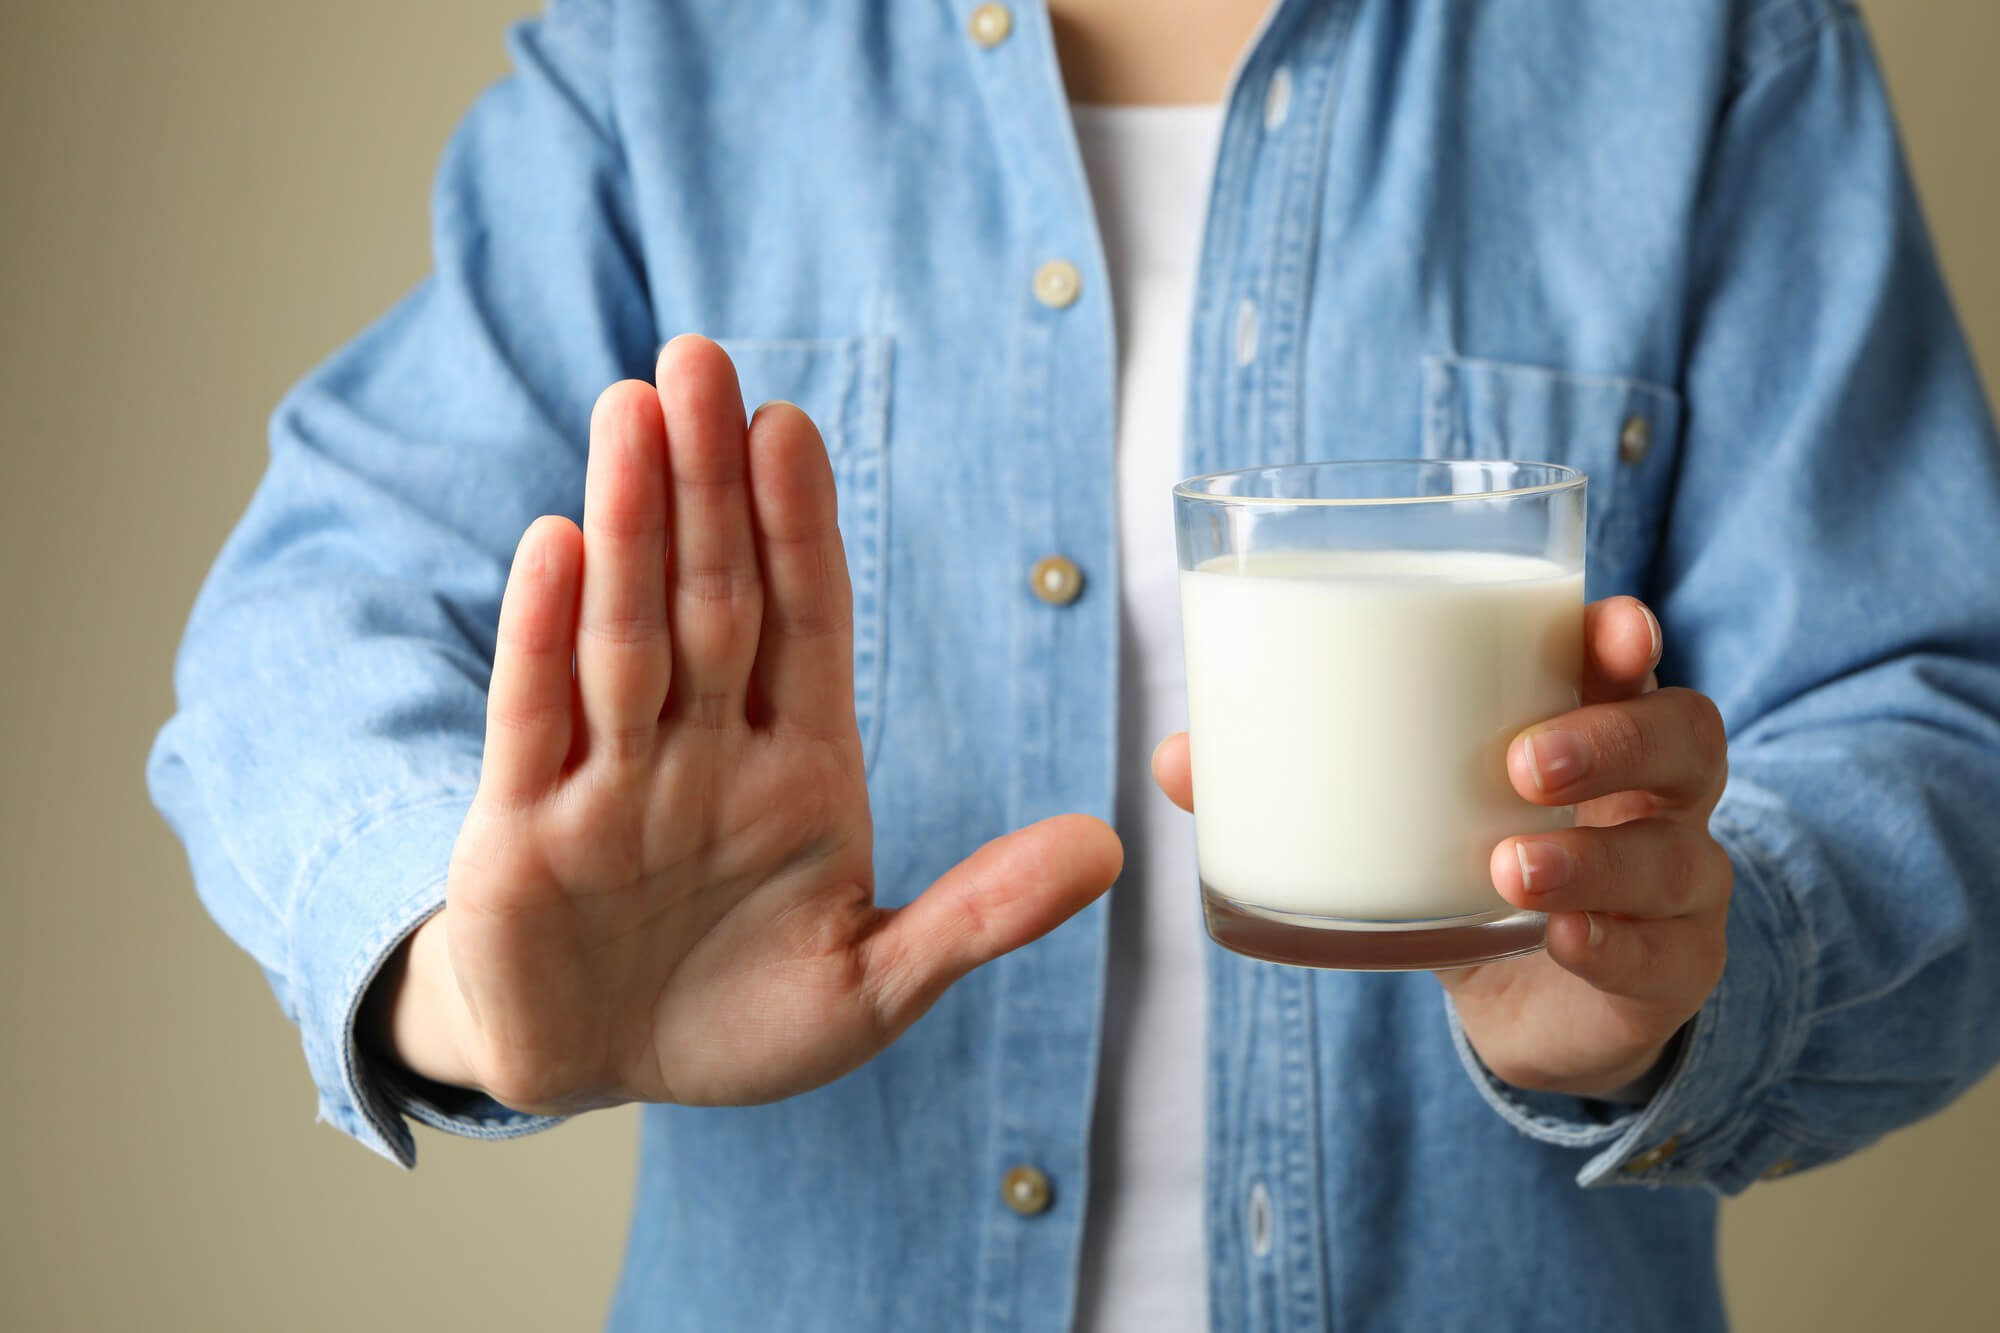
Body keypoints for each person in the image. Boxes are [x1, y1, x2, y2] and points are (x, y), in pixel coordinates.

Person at [149, 0, 2000, 1328]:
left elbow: (1940, 707)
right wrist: (465, 982)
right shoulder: (668, 55)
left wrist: (1683, 961)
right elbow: (304, 607)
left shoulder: (1718, 46)